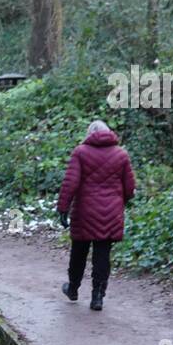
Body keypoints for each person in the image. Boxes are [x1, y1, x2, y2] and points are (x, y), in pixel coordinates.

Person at [56, 120, 135, 311]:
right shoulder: (121, 154)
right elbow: (130, 188)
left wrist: (63, 208)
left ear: (90, 134)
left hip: (84, 211)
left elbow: (71, 183)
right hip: (111, 213)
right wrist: (119, 202)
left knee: (79, 252)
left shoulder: (81, 152)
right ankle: (97, 297)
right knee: (102, 255)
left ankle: (73, 288)